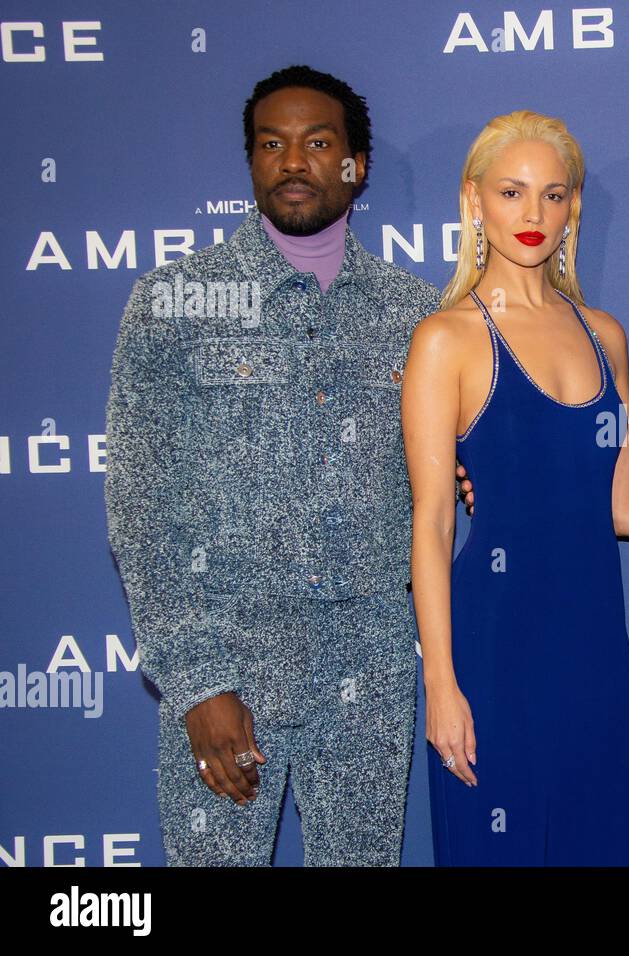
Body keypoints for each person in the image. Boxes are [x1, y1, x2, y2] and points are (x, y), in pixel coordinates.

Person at [104, 65, 441, 865]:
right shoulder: (174, 300)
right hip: (228, 665)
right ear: (252, 162)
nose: (294, 162)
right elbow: (140, 505)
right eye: (272, 145)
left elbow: (446, 488)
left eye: (319, 143)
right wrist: (196, 678)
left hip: (370, 669)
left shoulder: (419, 316)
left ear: (356, 164)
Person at [402, 110, 629, 865]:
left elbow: (628, 506)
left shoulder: (605, 334)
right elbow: (433, 526)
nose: (534, 215)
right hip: (492, 650)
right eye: (512, 193)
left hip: (595, 651)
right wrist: (442, 686)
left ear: (574, 206)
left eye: (553, 195)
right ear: (474, 199)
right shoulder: (444, 339)